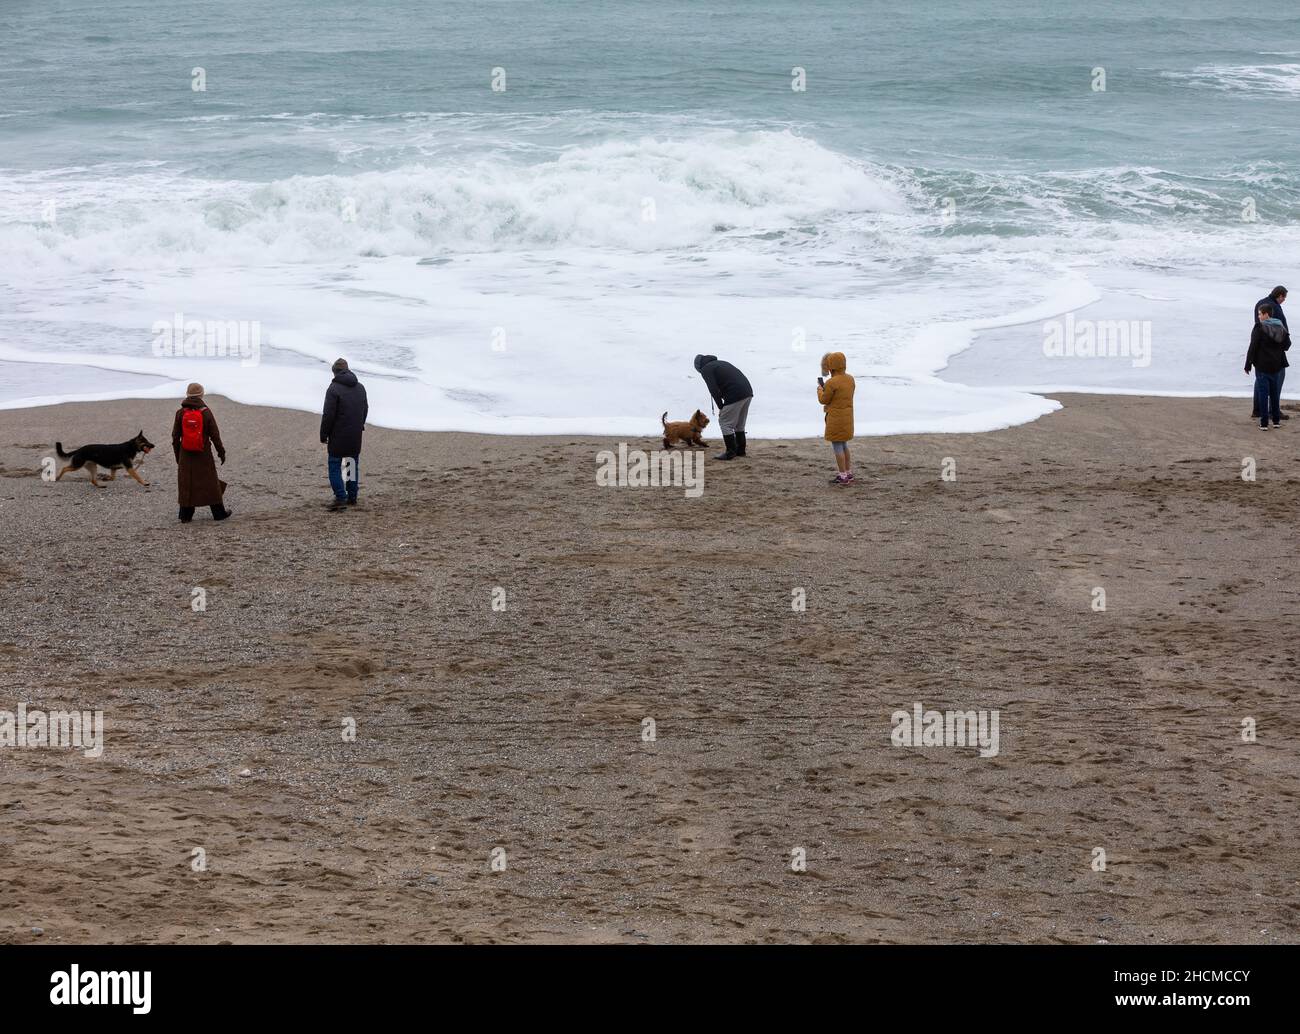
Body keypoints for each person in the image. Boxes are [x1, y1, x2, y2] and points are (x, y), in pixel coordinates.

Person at [171, 383, 231, 522]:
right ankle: (218, 513)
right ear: (202, 395)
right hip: (203, 453)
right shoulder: (206, 412)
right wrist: (221, 452)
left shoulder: (180, 413)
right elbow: (215, 435)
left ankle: (185, 516)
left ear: (187, 395)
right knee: (210, 481)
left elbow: (175, 437)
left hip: (185, 454)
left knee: (186, 483)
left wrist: (178, 456)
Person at [320, 358, 368, 511]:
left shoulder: (333, 389)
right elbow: (365, 409)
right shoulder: (360, 387)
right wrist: (359, 425)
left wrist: (324, 434)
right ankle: (352, 497)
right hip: (355, 435)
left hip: (338, 436)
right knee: (351, 465)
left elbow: (328, 415)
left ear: (335, 372)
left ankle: (341, 497)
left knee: (334, 466)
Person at [693, 354, 753, 461]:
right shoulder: (720, 363)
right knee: (739, 424)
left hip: (735, 394)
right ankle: (741, 450)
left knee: (725, 422)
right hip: (747, 392)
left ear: (699, 367)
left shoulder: (706, 369)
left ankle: (730, 452)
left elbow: (713, 390)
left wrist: (721, 406)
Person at [1245, 304, 1290, 430]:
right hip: (1276, 365)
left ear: (1266, 314)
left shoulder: (1259, 327)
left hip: (1262, 365)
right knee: (1274, 393)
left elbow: (1253, 346)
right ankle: (1276, 421)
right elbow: (1287, 344)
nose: (1258, 316)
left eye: (1260, 314)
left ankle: (1264, 423)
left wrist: (1248, 364)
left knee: (1263, 393)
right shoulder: (1280, 326)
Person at [817, 351, 856, 484]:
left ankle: (842, 475)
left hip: (835, 418)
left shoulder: (831, 383)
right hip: (848, 417)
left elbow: (824, 400)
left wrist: (820, 390)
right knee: (844, 445)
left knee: (837, 446)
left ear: (831, 366)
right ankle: (849, 472)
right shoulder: (850, 379)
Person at [1251, 286, 1288, 420]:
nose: (1284, 300)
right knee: (1278, 376)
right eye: (1284, 297)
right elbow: (1281, 329)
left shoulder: (1260, 303)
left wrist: (1249, 361)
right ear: (1280, 295)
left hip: (1261, 348)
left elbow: (1258, 326)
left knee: (1260, 378)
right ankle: (1274, 410)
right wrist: (1285, 345)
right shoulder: (1275, 307)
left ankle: (1258, 409)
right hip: (1274, 350)